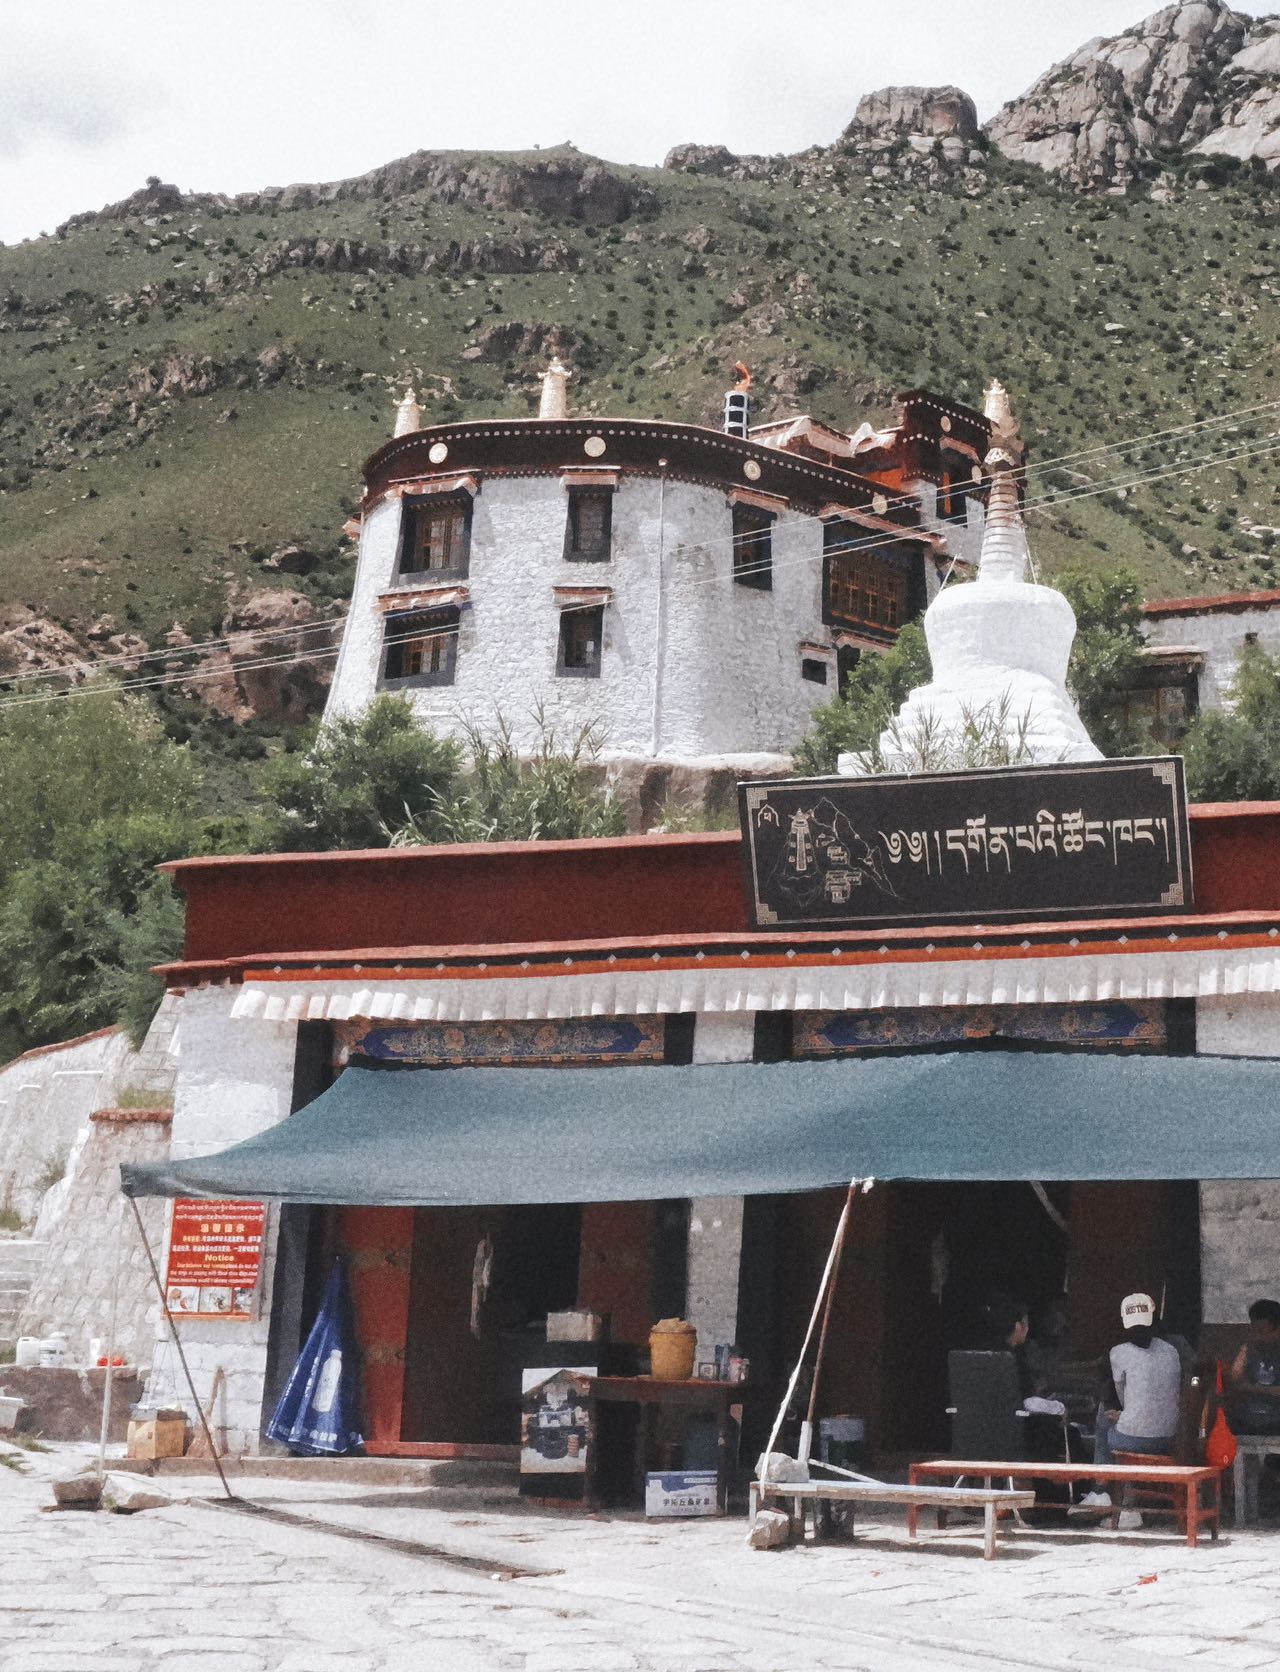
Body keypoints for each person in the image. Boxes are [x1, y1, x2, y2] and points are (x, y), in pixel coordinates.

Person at [1079, 1293, 1182, 1522]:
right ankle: (1124, 1503)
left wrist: (1122, 1415)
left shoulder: (1118, 1352)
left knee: (1105, 1420)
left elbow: (1122, 1397)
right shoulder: (1172, 1351)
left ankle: (1101, 1492)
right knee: (1115, 1422)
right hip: (1170, 1437)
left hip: (1136, 1439)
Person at [1229, 1298, 1280, 1434]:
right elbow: (1235, 1379)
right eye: (1254, 1329)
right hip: (1248, 1416)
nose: (1257, 1335)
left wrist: (1256, 1389)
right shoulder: (1250, 1348)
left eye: (1262, 1330)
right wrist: (1244, 1350)